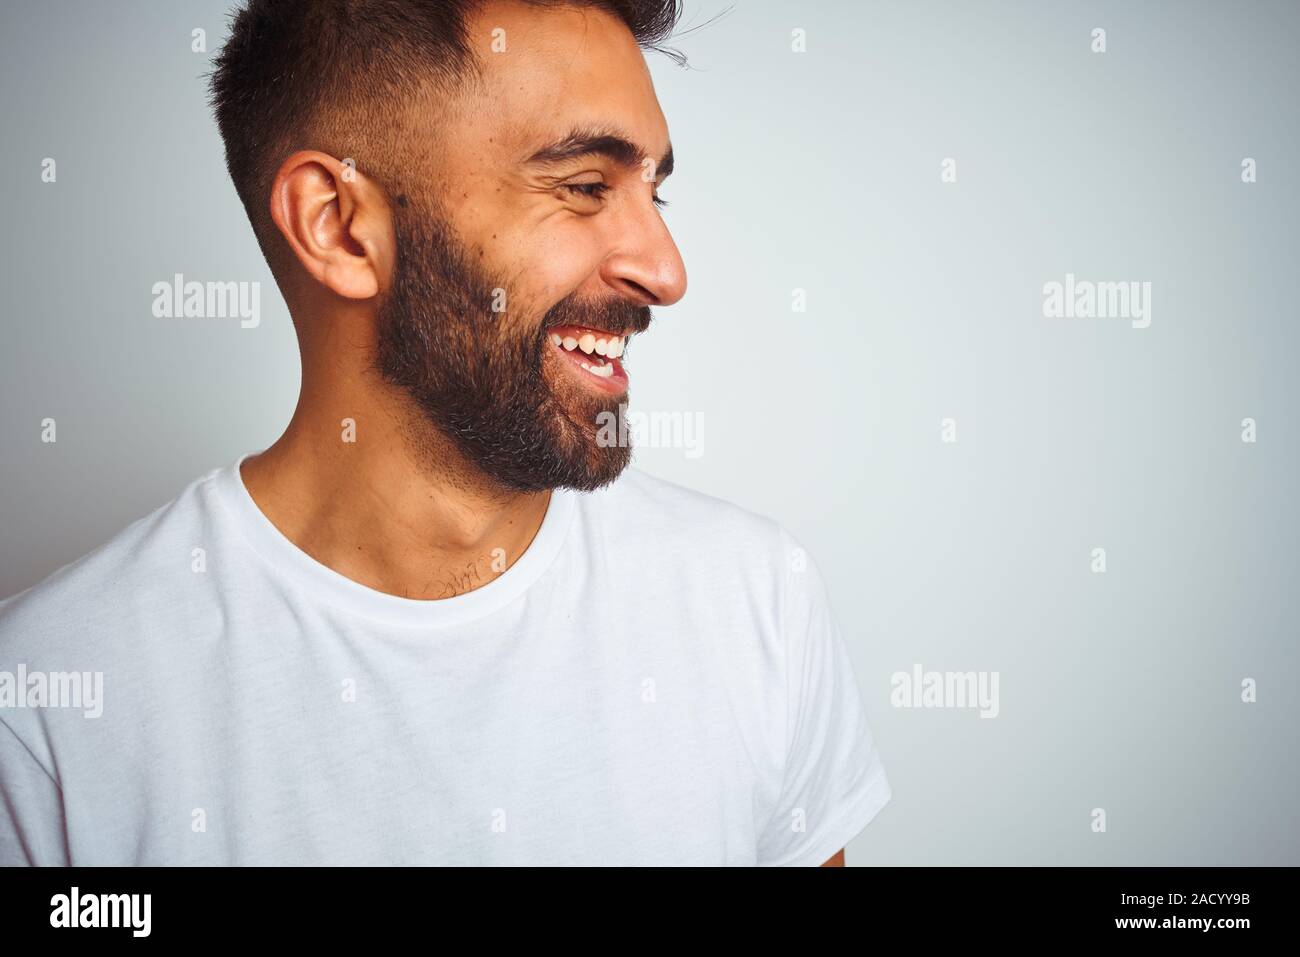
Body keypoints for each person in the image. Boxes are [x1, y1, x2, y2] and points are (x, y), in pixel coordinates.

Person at [0, 0, 890, 866]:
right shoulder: (46, 707)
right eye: (585, 187)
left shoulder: (756, 602)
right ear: (339, 228)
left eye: (654, 191)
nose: (666, 269)